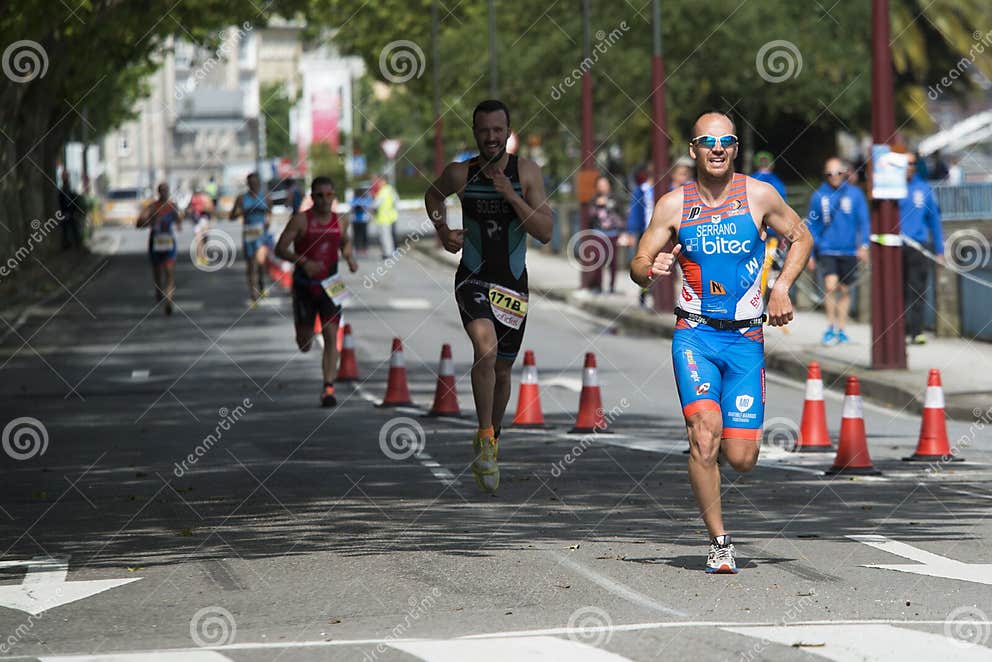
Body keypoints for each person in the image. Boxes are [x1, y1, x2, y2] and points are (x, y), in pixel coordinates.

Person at [631, 111, 812, 574]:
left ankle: (716, 469)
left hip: (746, 339)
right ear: (693, 150)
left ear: (735, 148)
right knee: (704, 436)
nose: (717, 148)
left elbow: (801, 236)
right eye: (707, 142)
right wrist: (649, 270)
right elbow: (638, 260)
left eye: (726, 141)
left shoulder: (759, 195)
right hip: (694, 335)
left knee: (742, 457)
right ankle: (720, 541)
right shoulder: (672, 205)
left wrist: (783, 286)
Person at [425, 99, 553, 493]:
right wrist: (442, 231)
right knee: (485, 349)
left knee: (501, 370)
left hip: (513, 284)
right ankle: (483, 436)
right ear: (476, 133)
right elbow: (433, 196)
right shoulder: (461, 173)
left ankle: (493, 439)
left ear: (508, 132)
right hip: (473, 279)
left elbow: (546, 231)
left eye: (498, 130)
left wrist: (511, 196)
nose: (491, 137)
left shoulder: (526, 172)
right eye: (484, 130)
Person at [275, 176, 359, 407]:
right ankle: (304, 334)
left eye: (329, 195)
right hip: (304, 284)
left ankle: (328, 388)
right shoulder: (301, 220)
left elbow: (345, 241)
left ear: (334, 196)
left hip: (333, 283)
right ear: (312, 198)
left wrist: (350, 257)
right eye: (319, 196)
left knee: (332, 336)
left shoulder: (341, 220)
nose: (324, 200)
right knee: (305, 343)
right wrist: (303, 261)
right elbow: (280, 248)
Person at [806, 157, 870, 346]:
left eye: (838, 172)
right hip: (827, 249)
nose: (834, 177)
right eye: (829, 173)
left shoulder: (855, 194)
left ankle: (842, 328)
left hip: (849, 250)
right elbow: (812, 226)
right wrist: (809, 253)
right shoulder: (819, 196)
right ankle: (830, 326)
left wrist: (864, 245)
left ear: (844, 173)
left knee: (845, 289)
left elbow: (864, 221)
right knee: (830, 286)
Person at [900, 153, 945, 345]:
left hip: (919, 246)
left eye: (912, 163)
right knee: (898, 290)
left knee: (917, 289)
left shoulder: (924, 188)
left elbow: (934, 220)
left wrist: (939, 250)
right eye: (905, 164)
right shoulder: (892, 189)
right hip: (896, 247)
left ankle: (917, 331)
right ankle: (901, 330)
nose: (909, 167)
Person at [137, 183, 183, 315]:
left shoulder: (172, 206)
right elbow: (139, 223)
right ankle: (158, 291)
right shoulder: (152, 207)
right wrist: (150, 221)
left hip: (168, 243)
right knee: (158, 272)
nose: (164, 193)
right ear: (159, 192)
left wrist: (178, 220)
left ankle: (168, 301)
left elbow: (179, 221)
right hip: (155, 242)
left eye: (166, 190)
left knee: (169, 273)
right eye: (162, 190)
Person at [230, 172, 272, 302]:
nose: (254, 186)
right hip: (248, 233)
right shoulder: (242, 198)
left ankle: (260, 282)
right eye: (251, 184)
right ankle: (254, 292)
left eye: (256, 183)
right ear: (248, 185)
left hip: (261, 233)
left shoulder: (265, 197)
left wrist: (268, 223)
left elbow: (270, 213)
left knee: (260, 261)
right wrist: (242, 211)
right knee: (250, 264)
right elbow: (231, 216)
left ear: (259, 184)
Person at [624, 166, 654, 308]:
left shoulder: (666, 188)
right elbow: (635, 213)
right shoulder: (642, 190)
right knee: (645, 265)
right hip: (645, 233)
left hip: (661, 233)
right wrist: (631, 232)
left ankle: (655, 293)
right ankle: (644, 293)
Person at [590, 175, 624, 294]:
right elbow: (590, 216)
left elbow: (621, 214)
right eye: (600, 185)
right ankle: (598, 286)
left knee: (613, 261)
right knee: (598, 259)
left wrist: (623, 232)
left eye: (604, 184)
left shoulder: (615, 198)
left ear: (608, 185)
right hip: (598, 233)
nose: (602, 187)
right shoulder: (594, 199)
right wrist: (597, 205)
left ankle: (612, 286)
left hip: (613, 233)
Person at [185, 187, 214, 266]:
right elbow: (188, 209)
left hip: (204, 220)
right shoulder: (192, 199)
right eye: (196, 193)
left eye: (199, 193)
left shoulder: (206, 198)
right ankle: (199, 257)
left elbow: (211, 209)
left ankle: (204, 256)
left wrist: (202, 208)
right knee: (198, 239)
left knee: (204, 239)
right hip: (196, 222)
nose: (197, 195)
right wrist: (190, 211)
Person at [58, 171, 85, 251]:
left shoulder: (69, 189)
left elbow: (73, 200)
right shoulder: (63, 190)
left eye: (65, 176)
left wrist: (73, 212)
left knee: (74, 229)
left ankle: (76, 244)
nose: (65, 178)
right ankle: (68, 245)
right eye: (64, 176)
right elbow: (62, 201)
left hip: (71, 212)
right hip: (65, 213)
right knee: (66, 230)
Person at [373, 175, 399, 259]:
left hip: (383, 217)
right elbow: (396, 200)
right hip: (391, 216)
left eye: (380, 181)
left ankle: (387, 253)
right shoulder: (391, 189)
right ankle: (390, 252)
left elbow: (376, 204)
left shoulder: (383, 191)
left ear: (384, 181)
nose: (379, 183)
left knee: (385, 237)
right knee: (389, 236)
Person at [350, 185, 373, 256]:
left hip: (364, 220)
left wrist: (363, 207)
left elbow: (370, 208)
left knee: (364, 235)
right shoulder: (354, 198)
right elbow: (351, 209)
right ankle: (358, 249)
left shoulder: (367, 199)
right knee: (356, 235)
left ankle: (365, 249)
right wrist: (355, 207)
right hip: (355, 220)